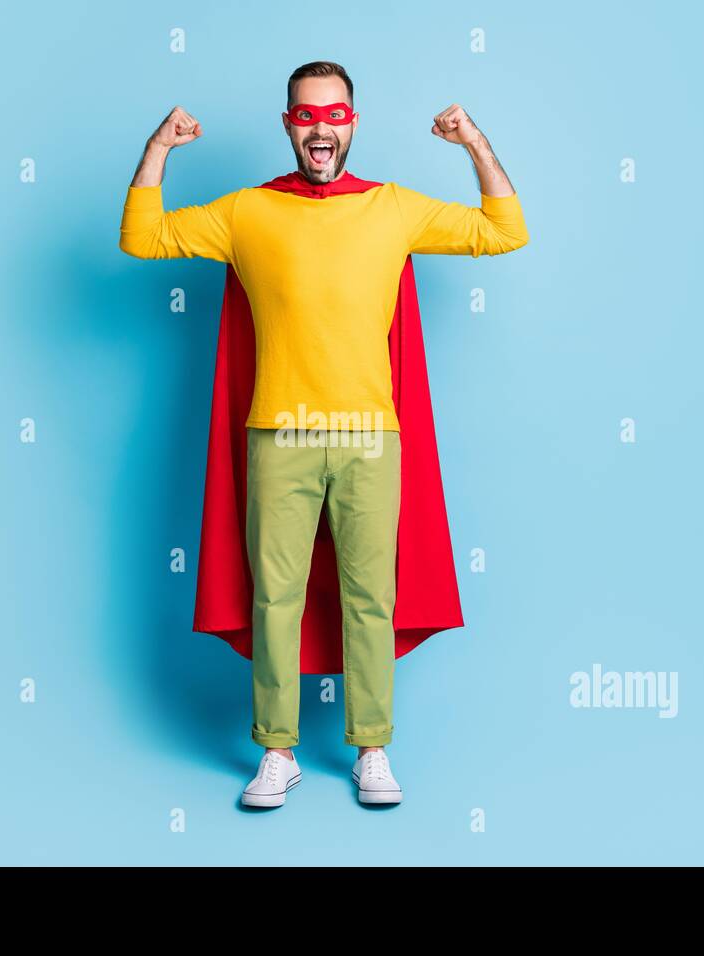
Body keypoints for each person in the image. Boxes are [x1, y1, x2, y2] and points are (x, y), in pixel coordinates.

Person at [119, 60, 528, 808]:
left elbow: (505, 231)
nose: (320, 128)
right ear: (288, 124)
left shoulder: (393, 208)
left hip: (372, 439)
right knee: (276, 597)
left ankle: (372, 748)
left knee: (370, 597)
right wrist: (159, 149)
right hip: (278, 435)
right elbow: (143, 238)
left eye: (334, 115)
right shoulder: (246, 212)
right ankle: (278, 752)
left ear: (352, 124)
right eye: (306, 116)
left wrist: (473, 141)